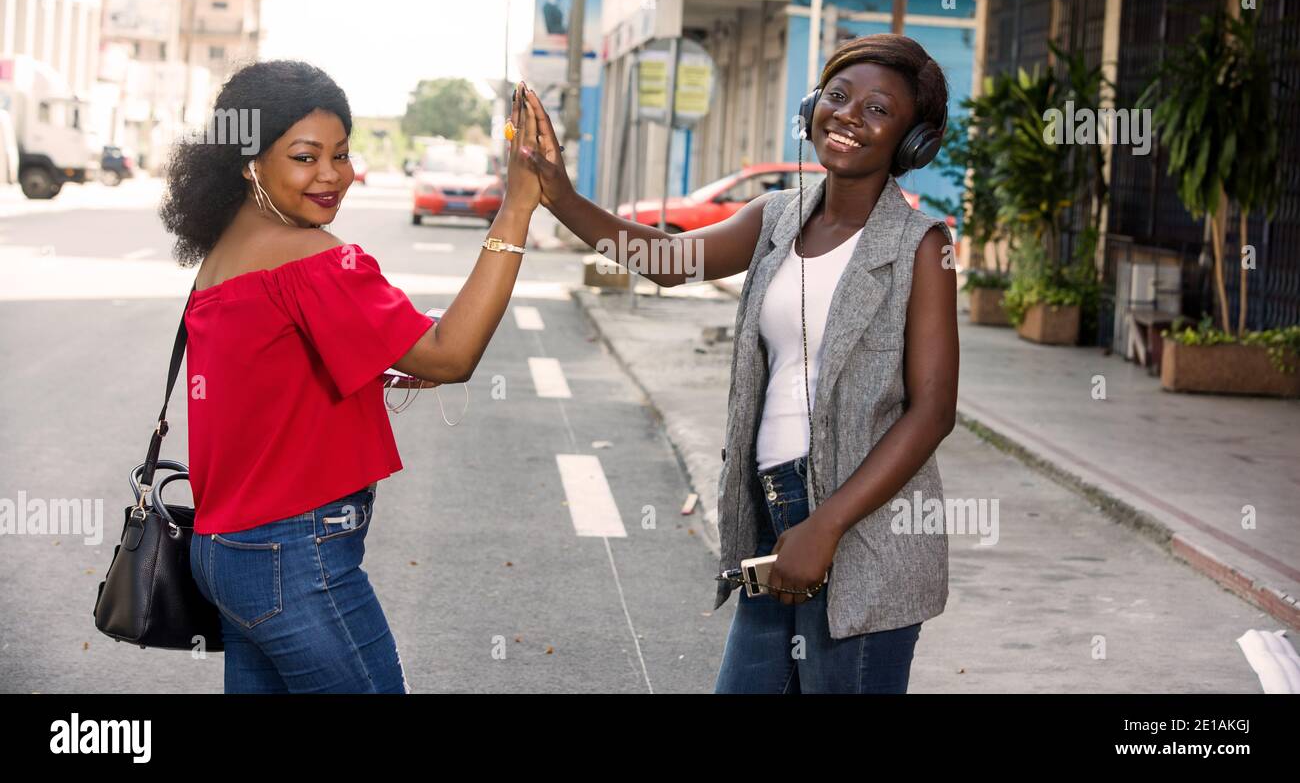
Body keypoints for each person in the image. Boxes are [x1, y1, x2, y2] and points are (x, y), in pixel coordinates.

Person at [517, 34, 959, 693]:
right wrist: (562, 198)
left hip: (863, 534)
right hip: (772, 513)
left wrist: (828, 522)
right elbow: (669, 264)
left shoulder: (923, 247)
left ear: (911, 141)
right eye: (837, 97)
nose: (846, 115)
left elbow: (933, 411)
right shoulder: (775, 216)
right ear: (812, 105)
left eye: (876, 109)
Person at [158, 60, 543, 692]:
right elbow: (451, 355)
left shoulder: (225, 252)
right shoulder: (312, 258)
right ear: (248, 161)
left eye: (341, 154)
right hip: (295, 559)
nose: (333, 175)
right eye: (306, 156)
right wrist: (517, 208)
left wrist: (375, 369)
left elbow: (259, 378)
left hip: (227, 551)